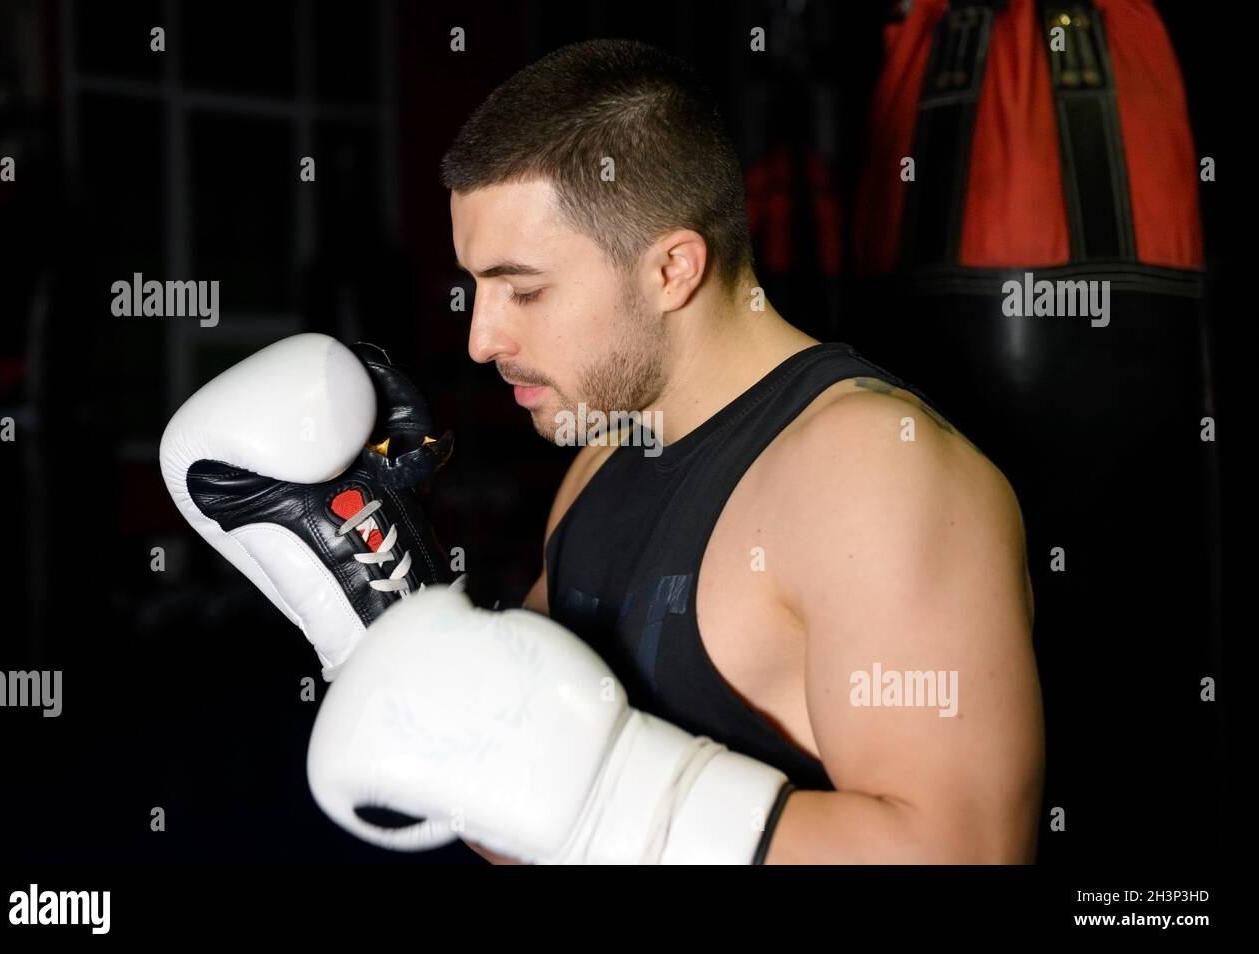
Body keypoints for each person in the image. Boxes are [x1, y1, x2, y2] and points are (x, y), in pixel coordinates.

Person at [434, 38, 1042, 863]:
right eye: (476, 286)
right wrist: (382, 619)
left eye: (525, 289)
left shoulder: (872, 474)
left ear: (673, 269)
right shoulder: (600, 458)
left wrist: (616, 799)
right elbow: (518, 815)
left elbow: (962, 852)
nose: (481, 337)